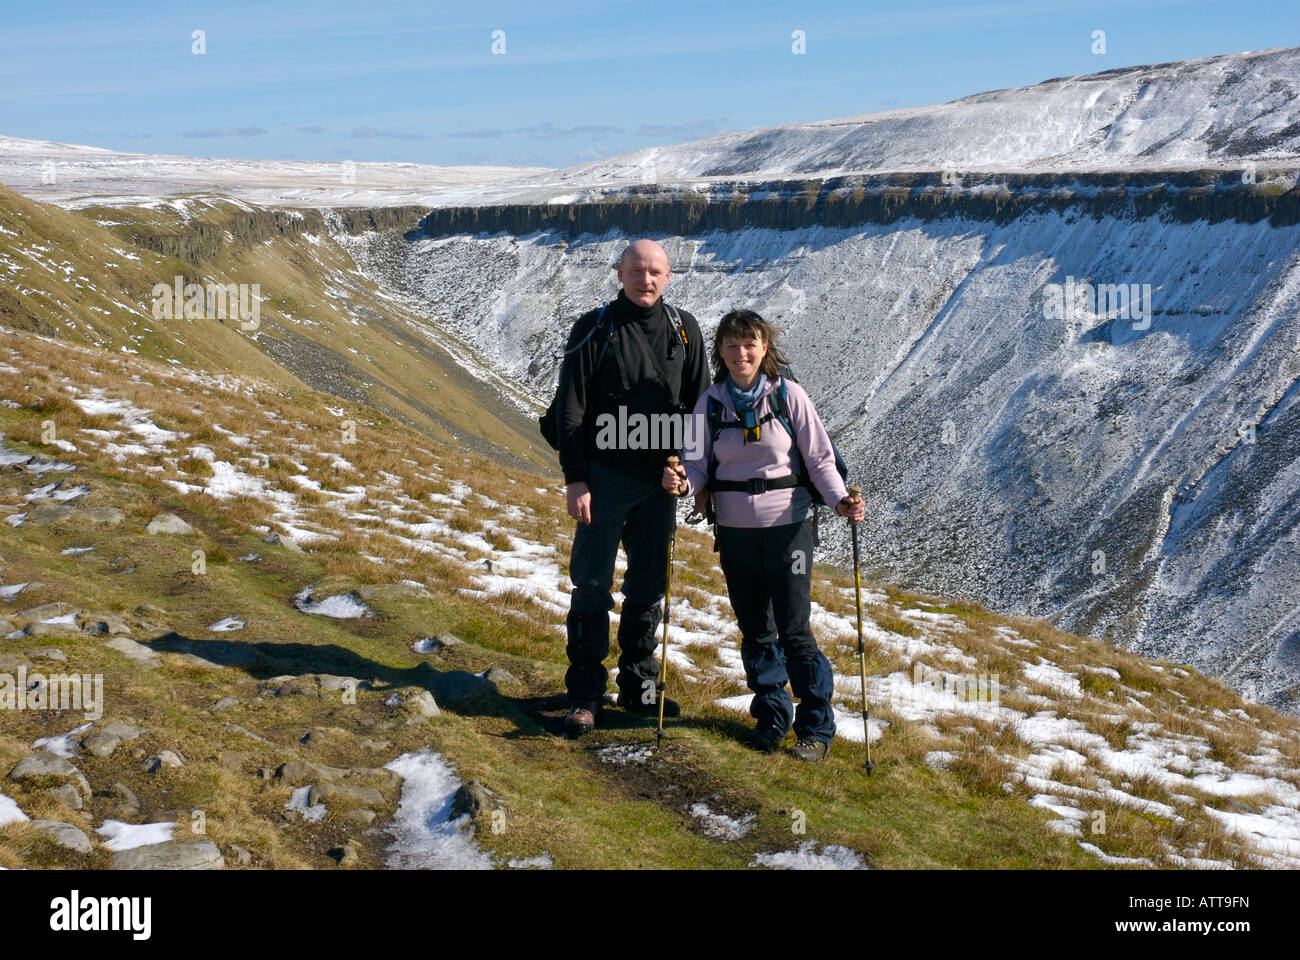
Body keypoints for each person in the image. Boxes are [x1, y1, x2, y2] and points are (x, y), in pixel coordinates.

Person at [663, 309, 864, 761]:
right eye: (732, 345)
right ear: (720, 352)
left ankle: (816, 729)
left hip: (788, 531)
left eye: (750, 343)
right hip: (735, 533)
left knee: (793, 628)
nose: (741, 353)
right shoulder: (710, 404)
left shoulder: (790, 396)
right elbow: (695, 466)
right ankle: (772, 719)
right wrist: (682, 484)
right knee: (755, 628)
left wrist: (839, 503)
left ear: (765, 348)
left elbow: (820, 460)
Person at [554, 239, 711, 736]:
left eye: (656, 272)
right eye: (637, 270)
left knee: (648, 589)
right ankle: (585, 695)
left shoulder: (685, 331)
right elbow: (570, 411)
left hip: (659, 487)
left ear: (669, 277)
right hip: (603, 481)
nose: (646, 279)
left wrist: (689, 471)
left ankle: (640, 691)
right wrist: (576, 478)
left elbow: (700, 409)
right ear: (619, 272)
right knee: (592, 586)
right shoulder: (594, 328)